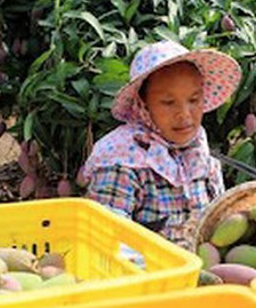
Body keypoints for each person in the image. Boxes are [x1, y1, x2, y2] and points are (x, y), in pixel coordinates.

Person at [79, 40, 242, 250]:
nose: (184, 115)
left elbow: (216, 223)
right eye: (168, 102)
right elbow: (107, 241)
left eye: (194, 100)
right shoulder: (122, 160)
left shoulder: (200, 154)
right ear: (143, 104)